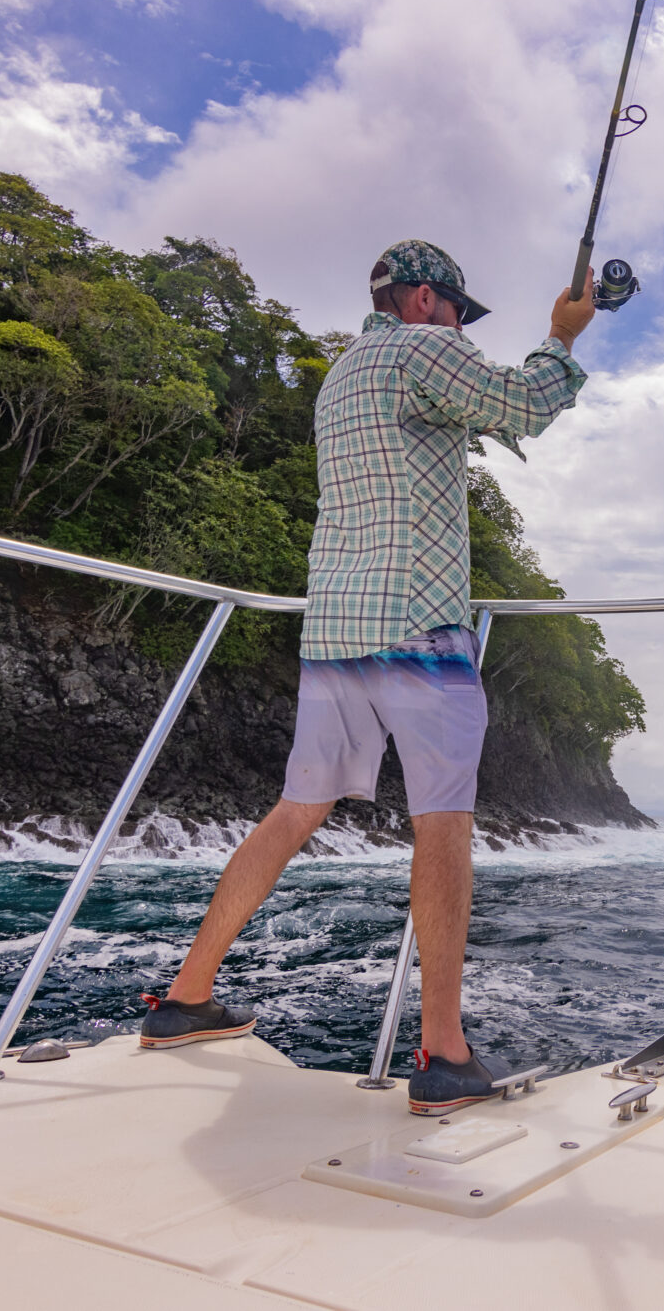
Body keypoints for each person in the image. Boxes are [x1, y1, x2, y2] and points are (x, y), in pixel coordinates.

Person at [139, 240, 597, 1116]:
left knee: (296, 808)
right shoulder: (423, 348)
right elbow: (525, 405)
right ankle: (444, 1055)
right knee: (444, 821)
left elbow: (457, 425)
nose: (462, 325)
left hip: (337, 627)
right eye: (459, 309)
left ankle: (187, 997)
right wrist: (563, 335)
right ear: (424, 300)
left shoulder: (344, 375)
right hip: (419, 627)